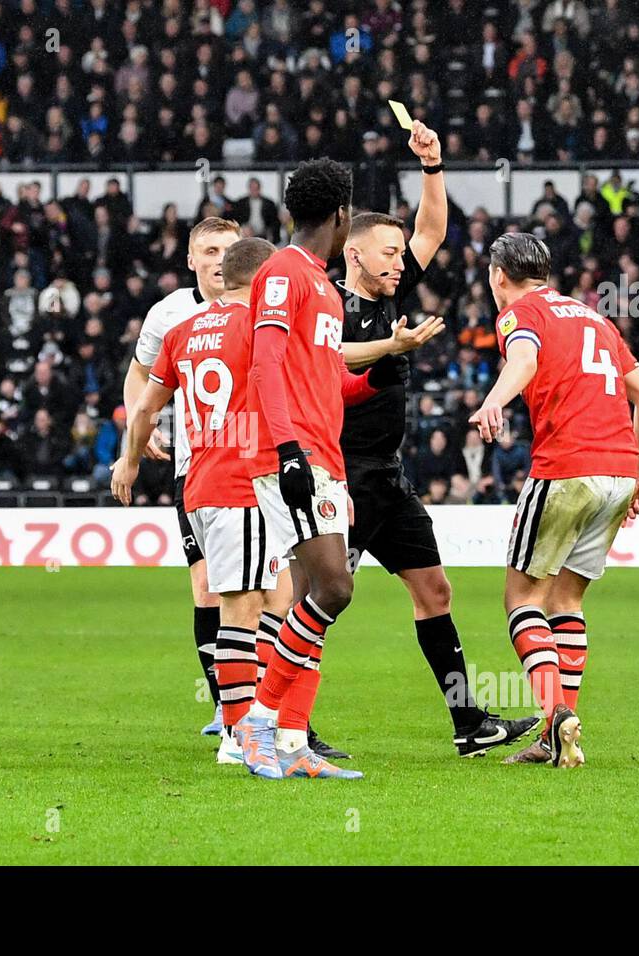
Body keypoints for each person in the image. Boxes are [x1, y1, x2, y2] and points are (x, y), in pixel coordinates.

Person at [337, 119, 539, 757]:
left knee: (434, 590)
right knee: (315, 598)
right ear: (354, 254)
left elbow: (430, 229)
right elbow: (325, 362)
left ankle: (468, 723)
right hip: (337, 473)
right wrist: (387, 349)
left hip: (386, 476)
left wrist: (432, 166)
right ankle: (280, 721)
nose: (402, 261)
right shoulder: (327, 302)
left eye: (401, 254)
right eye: (389, 254)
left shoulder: (391, 289)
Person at [232, 157, 406, 780]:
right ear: (340, 215)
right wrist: (285, 450)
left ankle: (293, 744)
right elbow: (265, 364)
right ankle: (255, 721)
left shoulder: (323, 287)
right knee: (336, 587)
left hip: (320, 452)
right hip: (295, 453)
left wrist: (372, 379)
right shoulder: (283, 272)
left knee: (310, 598)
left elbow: (325, 377)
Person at [469, 232, 639, 768]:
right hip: (618, 472)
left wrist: (492, 400)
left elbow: (525, 360)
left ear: (497, 276)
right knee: (567, 603)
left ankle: (552, 714)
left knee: (521, 599)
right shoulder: (593, 318)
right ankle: (562, 733)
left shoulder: (520, 314)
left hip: (566, 468)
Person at [112, 238, 294, 772]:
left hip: (200, 481)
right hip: (244, 480)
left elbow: (145, 406)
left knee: (266, 597)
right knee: (245, 608)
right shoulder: (257, 328)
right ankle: (240, 732)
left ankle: (251, 719)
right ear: (260, 280)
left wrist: (129, 461)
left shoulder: (184, 330)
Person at [121, 216, 241, 737]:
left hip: (261, 469)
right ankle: (225, 704)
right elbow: (138, 377)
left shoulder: (264, 305)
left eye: (229, 250)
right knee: (208, 587)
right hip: (197, 470)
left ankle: (267, 705)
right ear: (191, 260)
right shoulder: (168, 314)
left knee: (271, 592)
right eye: (209, 251)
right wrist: (138, 431)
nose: (219, 260)